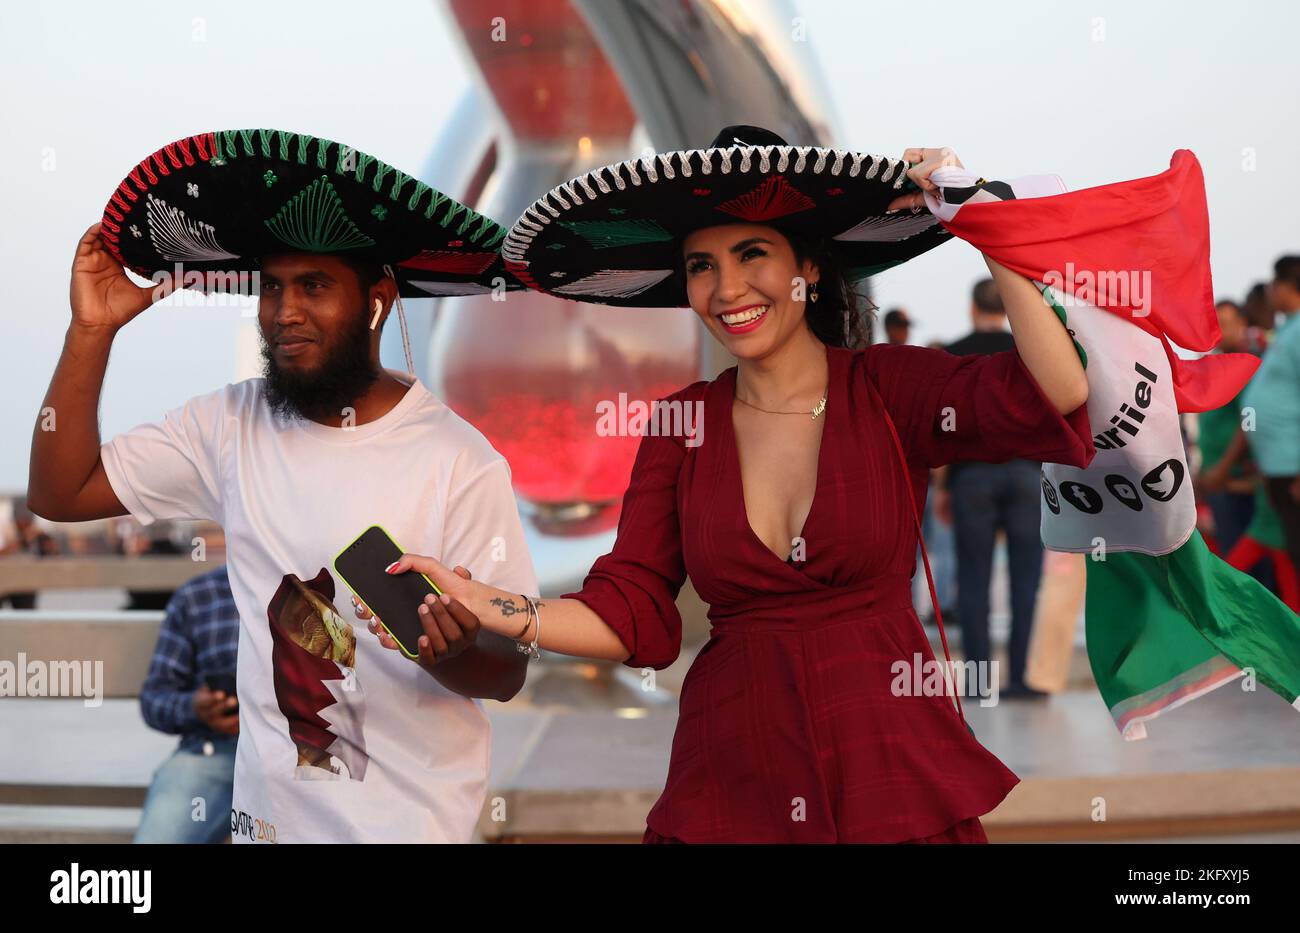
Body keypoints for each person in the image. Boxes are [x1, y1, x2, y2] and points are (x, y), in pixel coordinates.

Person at [381, 128, 1094, 843]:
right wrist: (489, 604)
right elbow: (629, 610)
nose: (726, 289)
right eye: (701, 265)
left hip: (892, 763)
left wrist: (982, 221)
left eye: (752, 253)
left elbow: (1057, 388)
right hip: (735, 771)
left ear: (809, 267)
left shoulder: (889, 386)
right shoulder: (681, 424)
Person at [27, 128, 535, 843]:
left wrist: (455, 655)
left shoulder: (461, 460)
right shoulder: (231, 423)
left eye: (315, 285)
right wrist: (91, 331)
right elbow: (60, 492)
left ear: (377, 301)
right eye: (272, 287)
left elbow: (508, 668)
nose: (285, 311)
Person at [936, 279, 1050, 700]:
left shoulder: (952, 353)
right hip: (1024, 475)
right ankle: (1021, 678)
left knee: (973, 580)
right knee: (1025, 581)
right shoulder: (1027, 350)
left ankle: (981, 683)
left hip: (971, 478)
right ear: (1006, 308)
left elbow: (942, 427)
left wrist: (944, 486)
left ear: (971, 307)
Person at [135, 565, 240, 843]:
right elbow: (154, 697)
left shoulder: (318, 589)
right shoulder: (198, 596)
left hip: (299, 751)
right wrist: (196, 708)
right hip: (216, 749)